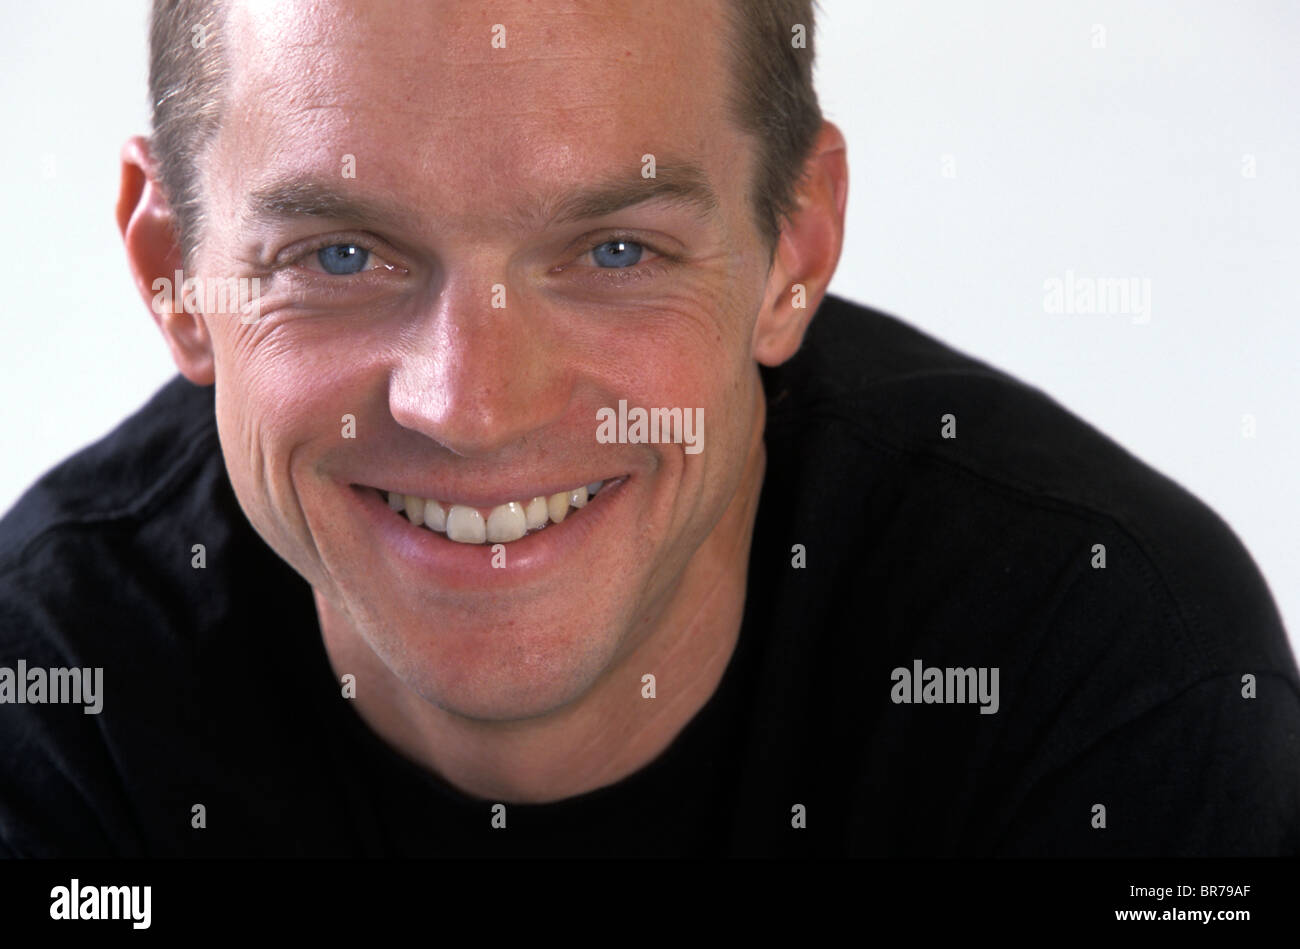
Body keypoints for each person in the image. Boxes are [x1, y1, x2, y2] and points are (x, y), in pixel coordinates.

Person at [1, 0, 1296, 857]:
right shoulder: (54, 700)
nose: (472, 406)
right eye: (342, 253)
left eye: (615, 249)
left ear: (796, 246)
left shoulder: (1106, 658)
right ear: (177, 274)